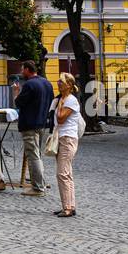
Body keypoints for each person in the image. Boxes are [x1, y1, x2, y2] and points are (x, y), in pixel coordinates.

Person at [13, 59, 54, 197]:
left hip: (29, 123)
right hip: (41, 123)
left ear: (27, 70)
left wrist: (16, 92)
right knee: (37, 154)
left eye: (22, 69)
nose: (21, 72)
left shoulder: (29, 84)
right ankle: (39, 182)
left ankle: (37, 188)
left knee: (33, 155)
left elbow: (18, 103)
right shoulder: (47, 83)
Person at [54, 72, 81, 217]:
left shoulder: (70, 100)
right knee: (67, 174)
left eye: (61, 81)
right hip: (62, 138)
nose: (58, 83)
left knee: (62, 174)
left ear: (69, 85)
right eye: (58, 81)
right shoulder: (62, 99)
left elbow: (60, 119)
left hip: (67, 139)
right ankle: (68, 205)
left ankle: (68, 208)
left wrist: (60, 105)